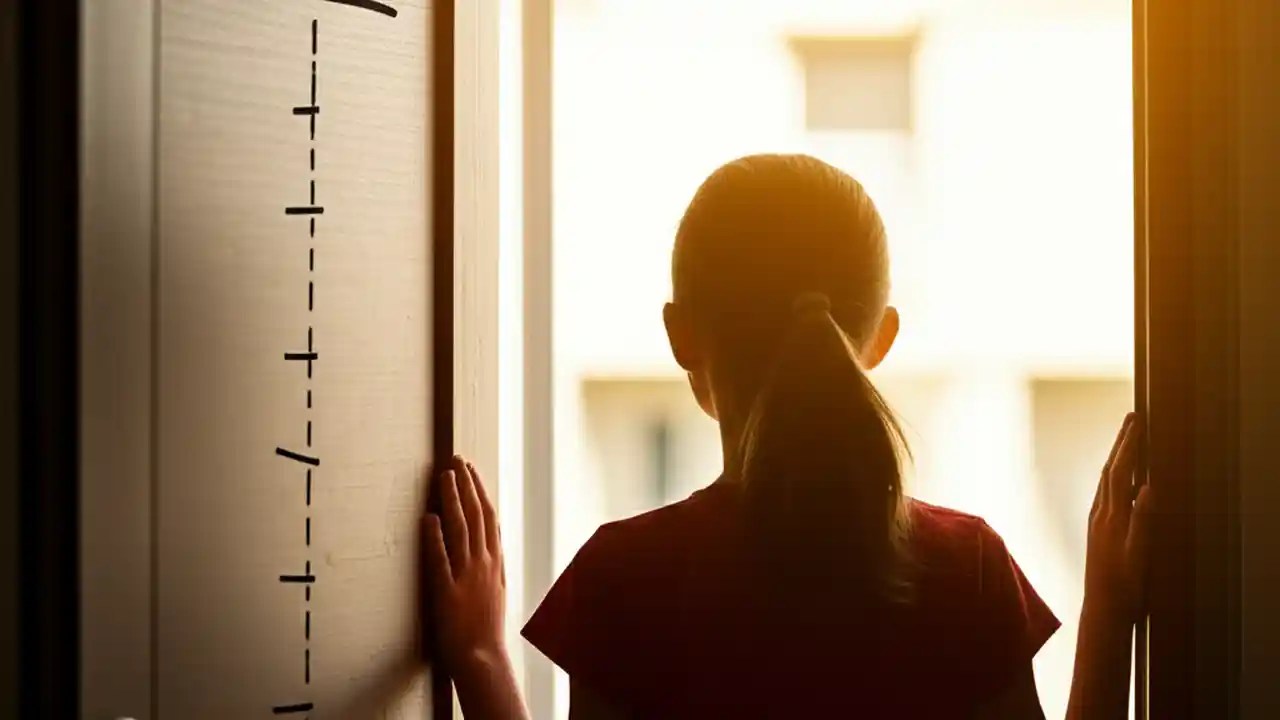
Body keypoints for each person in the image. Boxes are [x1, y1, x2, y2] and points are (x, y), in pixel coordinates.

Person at [422, 154, 1153, 719]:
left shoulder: (623, 578)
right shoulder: (971, 571)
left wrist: (480, 655)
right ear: (880, 338)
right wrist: (1111, 610)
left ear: (681, 335)